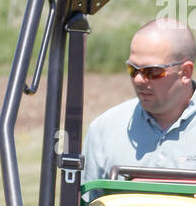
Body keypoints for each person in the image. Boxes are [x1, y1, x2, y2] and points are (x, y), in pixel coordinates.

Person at [83, 19, 196, 185]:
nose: (138, 80)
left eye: (152, 71)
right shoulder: (103, 130)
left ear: (185, 72)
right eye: (132, 69)